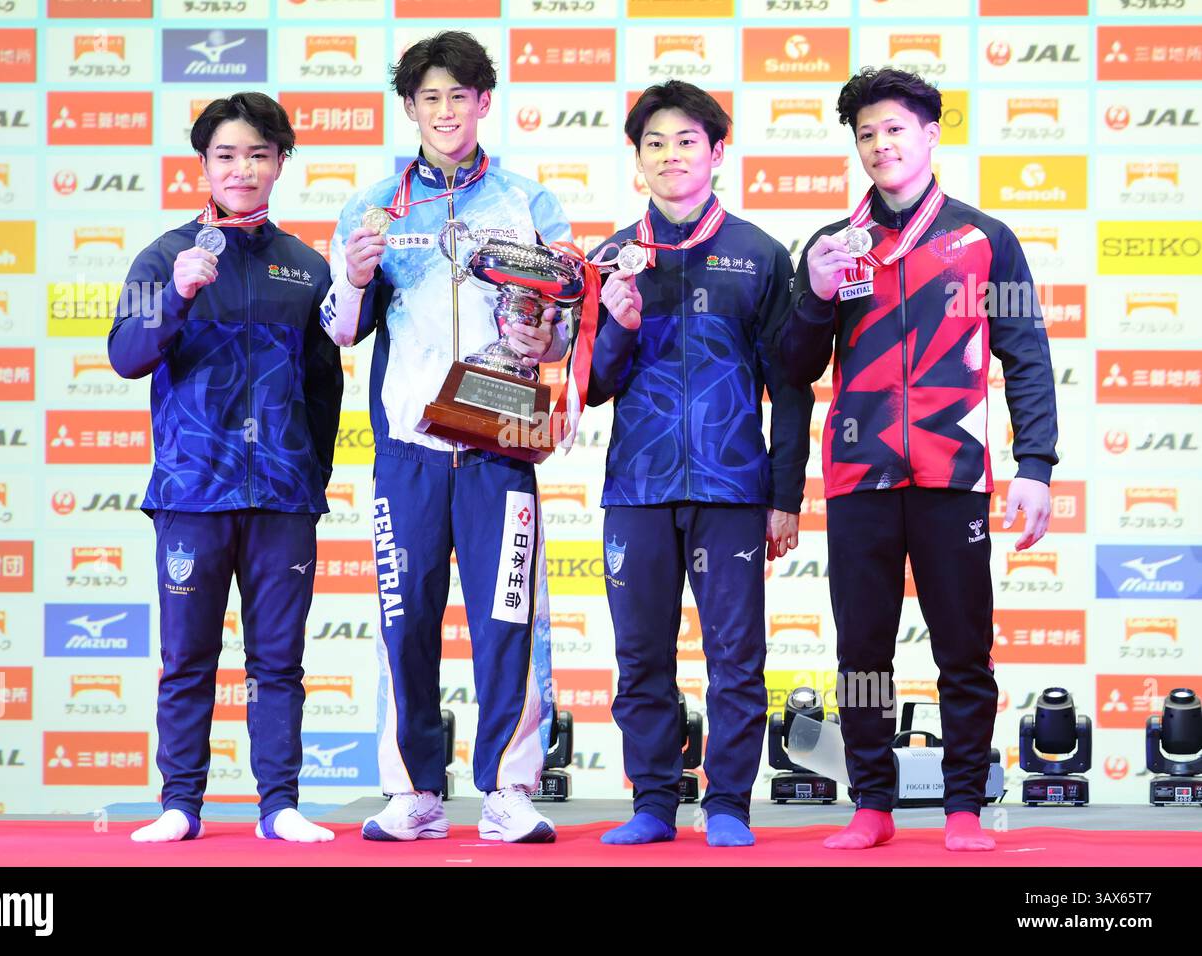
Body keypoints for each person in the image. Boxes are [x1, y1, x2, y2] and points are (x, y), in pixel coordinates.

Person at [778, 67, 1058, 852]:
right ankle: (871, 803)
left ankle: (963, 805)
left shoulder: (985, 240)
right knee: (862, 651)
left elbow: (1026, 356)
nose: (881, 144)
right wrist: (815, 296)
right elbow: (794, 366)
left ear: (931, 134)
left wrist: (1034, 464)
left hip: (952, 472)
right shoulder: (833, 247)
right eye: (866, 133)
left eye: (895, 129)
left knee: (963, 649)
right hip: (860, 477)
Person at [320, 31, 572, 843]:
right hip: (408, 446)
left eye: (459, 96)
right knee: (407, 617)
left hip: (501, 434)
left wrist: (544, 337)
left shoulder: (530, 202)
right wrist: (355, 279)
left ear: (484, 103)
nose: (444, 111)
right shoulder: (372, 208)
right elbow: (339, 329)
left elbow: (564, 330)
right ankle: (414, 790)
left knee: (507, 619)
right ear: (409, 109)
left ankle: (509, 787)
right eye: (428, 98)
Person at [109, 92, 341, 844]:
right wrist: (177, 295)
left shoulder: (307, 268)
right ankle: (180, 803)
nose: (243, 169)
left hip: (282, 497)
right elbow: (126, 355)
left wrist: (308, 478)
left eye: (258, 154)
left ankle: (280, 805)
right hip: (190, 491)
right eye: (226, 155)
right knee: (187, 659)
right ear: (203, 163)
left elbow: (324, 389)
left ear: (280, 163)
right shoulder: (162, 256)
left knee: (280, 663)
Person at [587, 81, 812, 848]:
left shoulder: (758, 255)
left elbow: (791, 386)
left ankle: (728, 805)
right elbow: (588, 385)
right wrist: (615, 324)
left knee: (735, 656)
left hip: (732, 488)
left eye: (687, 141)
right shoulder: (612, 256)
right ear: (637, 160)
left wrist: (785, 494)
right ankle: (653, 802)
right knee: (640, 654)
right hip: (638, 489)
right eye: (655, 143)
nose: (671, 155)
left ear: (717, 152)